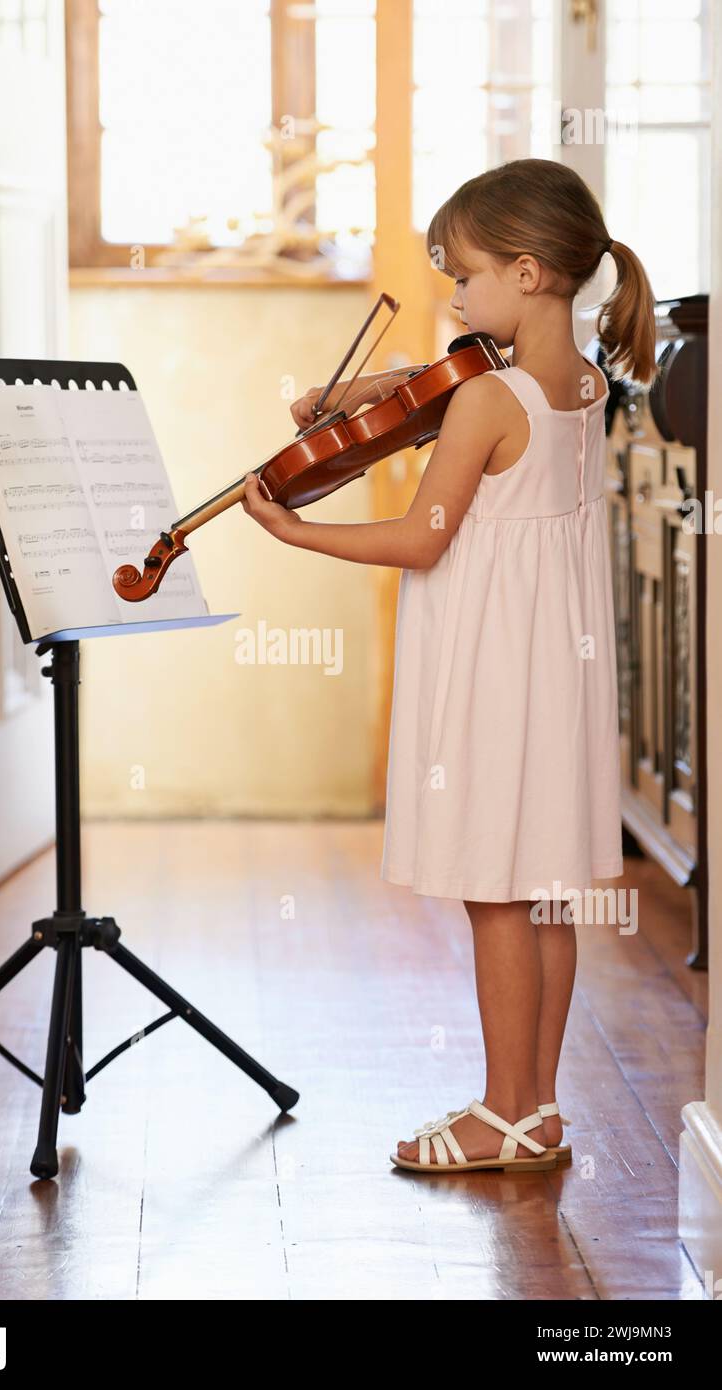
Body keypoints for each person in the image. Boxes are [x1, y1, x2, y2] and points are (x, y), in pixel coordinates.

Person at [240, 158, 657, 1174]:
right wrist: (380, 390)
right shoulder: (585, 384)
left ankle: (498, 1112)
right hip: (552, 670)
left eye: (464, 277)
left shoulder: (488, 400)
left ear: (527, 273)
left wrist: (296, 532)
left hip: (488, 670)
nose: (456, 299)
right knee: (542, 891)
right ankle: (535, 1111)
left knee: (493, 893)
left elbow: (422, 540)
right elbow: (432, 400)